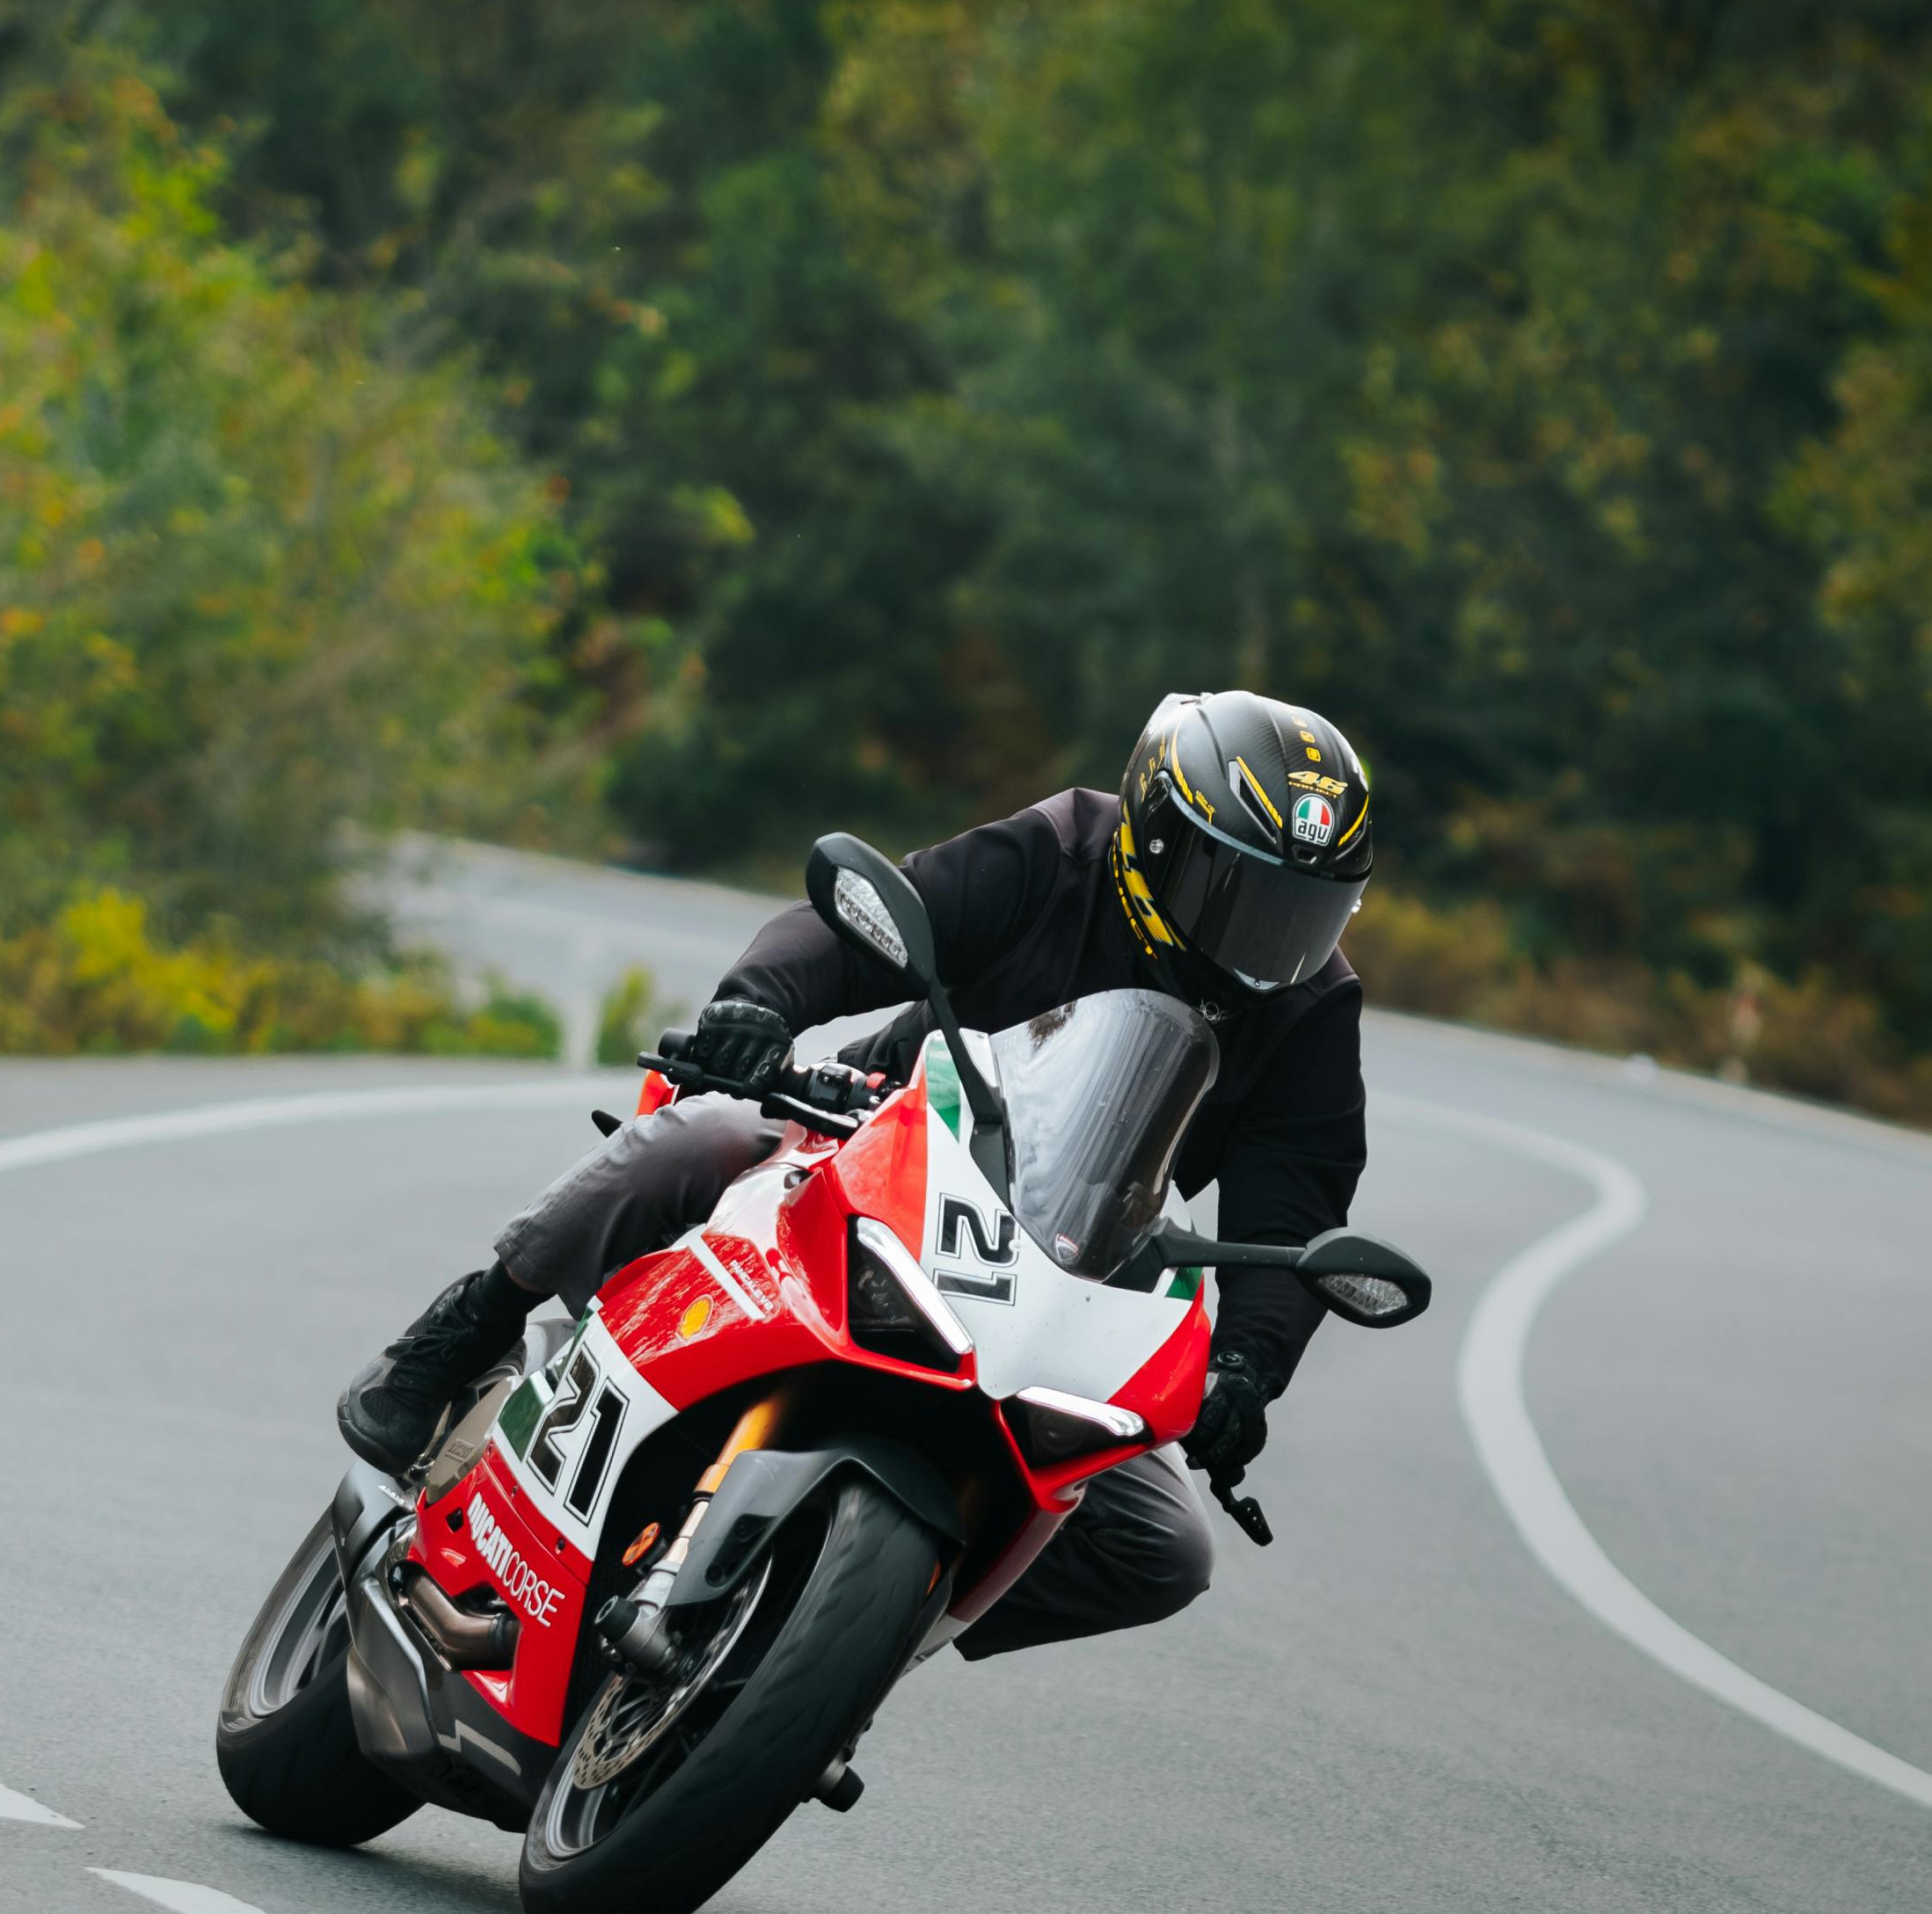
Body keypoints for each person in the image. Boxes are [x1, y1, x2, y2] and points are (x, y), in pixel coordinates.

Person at [338, 687, 1372, 1657]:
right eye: (1237, 893)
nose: (1264, 943)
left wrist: (1245, 1365)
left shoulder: (1309, 1008)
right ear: (1155, 836)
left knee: (1165, 1552)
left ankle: (847, 1635)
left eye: (1299, 912)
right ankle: (466, 1325)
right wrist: (758, 1006)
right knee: (697, 1134)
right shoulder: (1058, 852)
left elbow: (1300, 1196)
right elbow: (867, 921)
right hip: (882, 1137)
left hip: (1064, 1267)